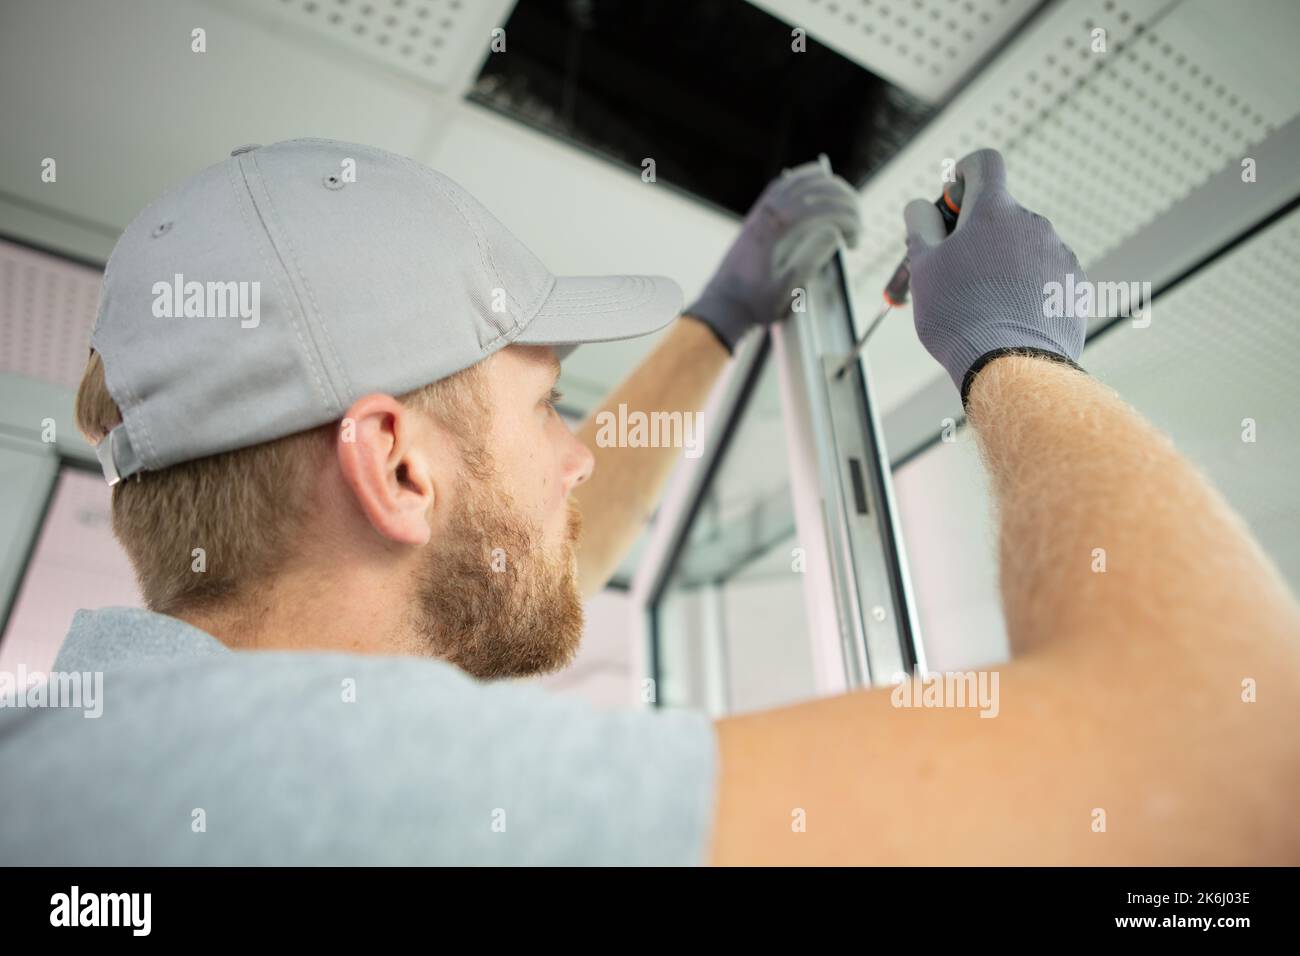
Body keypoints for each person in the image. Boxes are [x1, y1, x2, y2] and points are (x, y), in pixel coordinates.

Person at [1, 141, 1296, 865]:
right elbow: (1240, 768)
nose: (575, 457)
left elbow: (518, 550)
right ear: (395, 467)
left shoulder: (121, 761)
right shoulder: (288, 794)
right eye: (549, 405)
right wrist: (1020, 357)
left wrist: (720, 317)